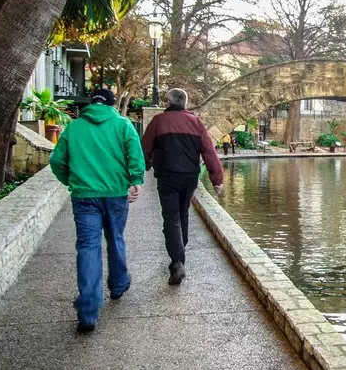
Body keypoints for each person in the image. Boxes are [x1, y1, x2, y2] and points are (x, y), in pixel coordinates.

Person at [50, 89, 145, 333]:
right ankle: (118, 284)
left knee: (88, 248)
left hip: (84, 196)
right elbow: (135, 155)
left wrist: (72, 181)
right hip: (115, 194)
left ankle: (88, 311)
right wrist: (135, 180)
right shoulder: (123, 125)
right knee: (115, 238)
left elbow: (57, 162)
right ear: (113, 105)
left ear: (91, 104)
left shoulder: (74, 127)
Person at [141, 88, 224, 285]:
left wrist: (145, 165)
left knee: (171, 218)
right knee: (183, 214)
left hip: (167, 177)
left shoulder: (158, 122)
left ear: (168, 102)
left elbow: (144, 147)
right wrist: (217, 179)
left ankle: (177, 261)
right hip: (189, 177)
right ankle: (180, 252)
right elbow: (209, 151)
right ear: (185, 103)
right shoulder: (196, 123)